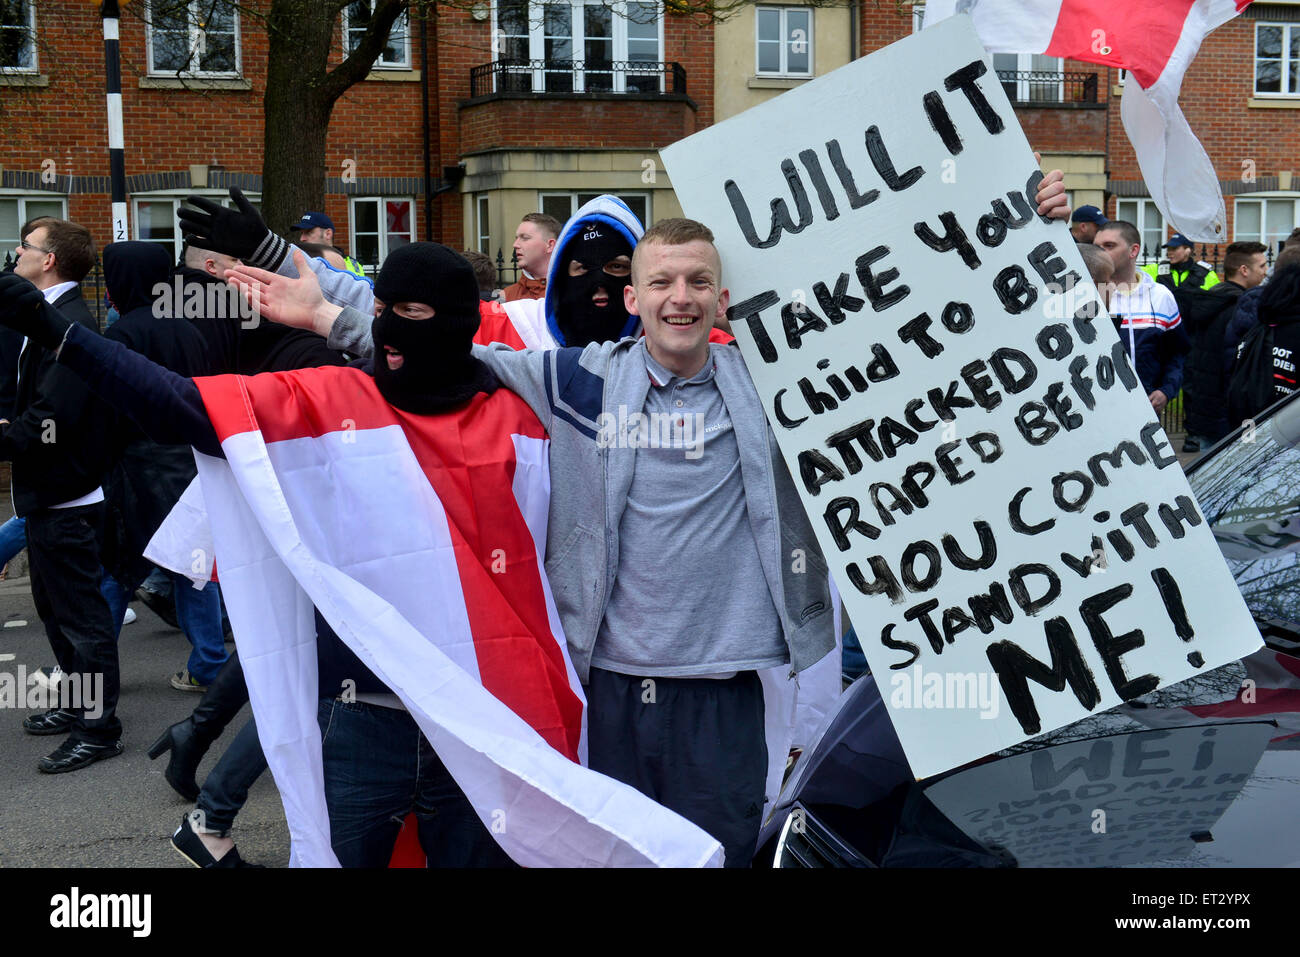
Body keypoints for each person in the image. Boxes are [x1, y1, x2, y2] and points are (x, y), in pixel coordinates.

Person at [0, 244, 582, 867]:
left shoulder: (529, 418)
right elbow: (177, 403)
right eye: (379, 308)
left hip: (487, 718)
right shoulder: (333, 402)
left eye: (407, 311)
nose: (386, 328)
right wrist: (55, 330)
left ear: (460, 321)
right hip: (365, 720)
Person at [5, 218, 119, 773]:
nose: (17, 253)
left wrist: (8, 434)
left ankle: (99, 730)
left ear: (48, 260)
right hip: (49, 497)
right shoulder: (47, 319)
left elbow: (55, 417)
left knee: (82, 621)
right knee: (55, 615)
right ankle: (79, 707)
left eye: (25, 246)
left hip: (68, 500)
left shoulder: (72, 323)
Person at [96, 241, 229, 691]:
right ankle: (209, 662)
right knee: (192, 568)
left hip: (138, 470)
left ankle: (90, 671)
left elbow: (108, 410)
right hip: (189, 464)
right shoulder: (188, 327)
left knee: (114, 571)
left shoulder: (120, 337)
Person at [1094, 220, 1191, 415]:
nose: (1100, 253)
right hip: (1097, 410)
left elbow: (1177, 353)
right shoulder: (1087, 295)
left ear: (1133, 250)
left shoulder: (1161, 296)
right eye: (1096, 247)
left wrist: (1166, 390)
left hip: (1146, 411)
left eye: (1109, 246)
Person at [1181, 241, 1268, 451]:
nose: (1266, 272)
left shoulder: (1213, 300)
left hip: (1206, 414)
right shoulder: (1241, 309)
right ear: (1244, 270)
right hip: (1230, 418)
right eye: (1263, 266)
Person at [502, 213, 560, 302]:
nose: (515, 245)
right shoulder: (506, 297)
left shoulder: (575, 290)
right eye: (516, 238)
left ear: (550, 245)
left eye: (525, 238)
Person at [288, 211, 365, 276]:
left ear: (328, 234)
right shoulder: (297, 263)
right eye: (302, 233)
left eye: (309, 232)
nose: (302, 239)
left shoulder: (353, 264)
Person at [1141, 232, 1220, 292]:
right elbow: (1134, 273)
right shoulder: (1157, 269)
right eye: (1169, 249)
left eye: (1174, 248)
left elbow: (1218, 298)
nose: (1170, 252)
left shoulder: (1205, 273)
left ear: (1188, 250)